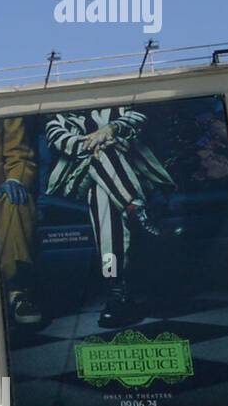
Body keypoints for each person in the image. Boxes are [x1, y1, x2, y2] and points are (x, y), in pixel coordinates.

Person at [44, 106, 174, 327]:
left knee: (102, 195)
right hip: (79, 177)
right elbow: (62, 142)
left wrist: (112, 128)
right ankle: (136, 209)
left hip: (130, 175)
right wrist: (104, 140)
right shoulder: (56, 119)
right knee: (104, 155)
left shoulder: (121, 107)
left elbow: (138, 119)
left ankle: (116, 291)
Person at [0, 117, 41, 325]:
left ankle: (17, 291)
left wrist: (14, 180)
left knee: (17, 199)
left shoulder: (3, 111)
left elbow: (19, 155)